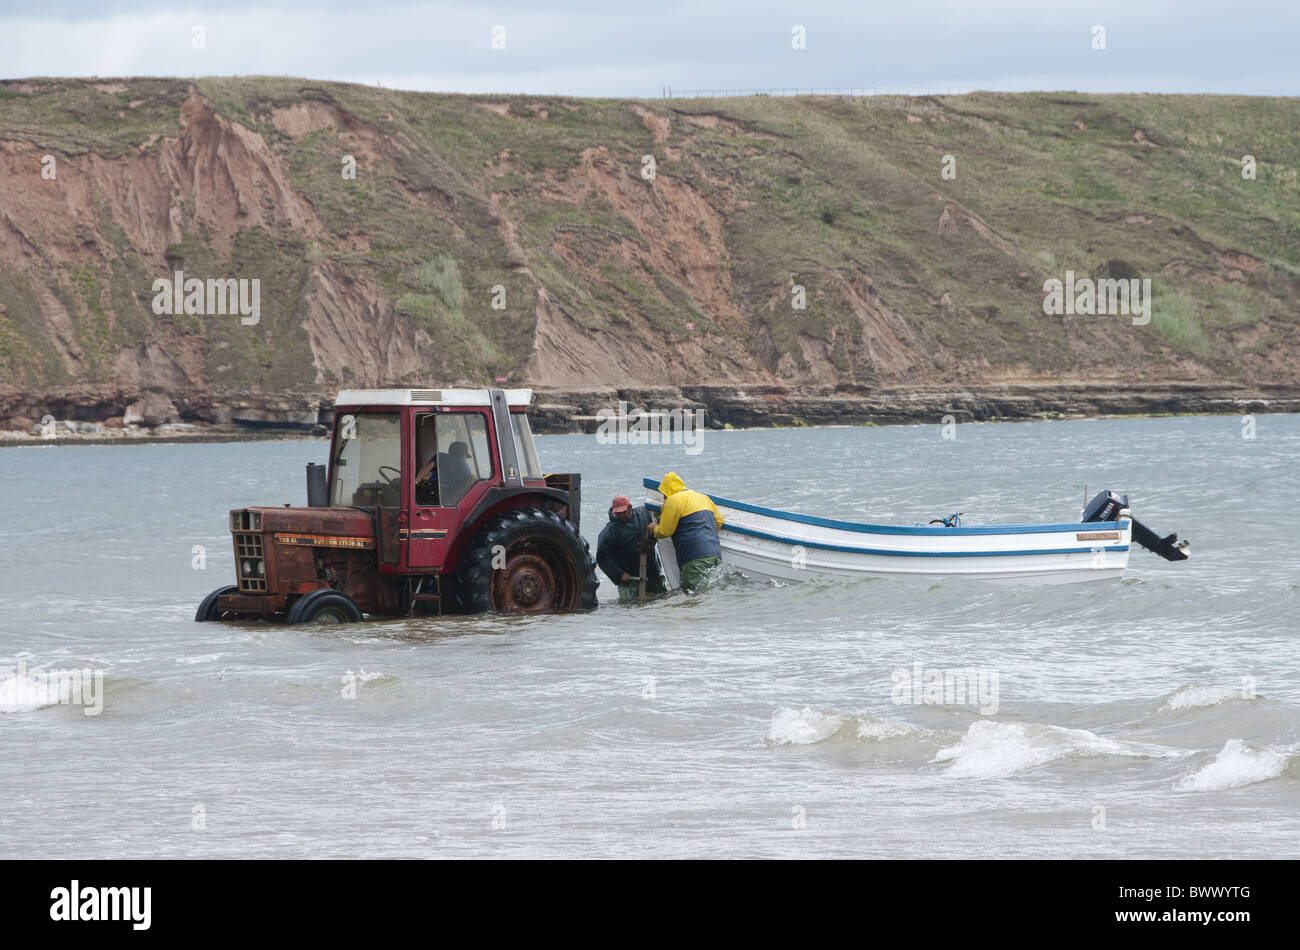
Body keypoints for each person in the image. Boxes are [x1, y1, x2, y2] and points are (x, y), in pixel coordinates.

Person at [650, 472, 724, 593]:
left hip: (693, 559)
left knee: (694, 598)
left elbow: (664, 531)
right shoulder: (702, 497)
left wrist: (653, 529)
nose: (663, 497)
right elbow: (719, 521)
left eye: (664, 493)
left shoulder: (673, 500)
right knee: (713, 593)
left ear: (668, 491)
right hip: (714, 555)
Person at [597, 494, 666, 601]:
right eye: (618, 514)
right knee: (629, 606)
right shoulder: (610, 532)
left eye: (623, 512)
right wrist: (619, 574)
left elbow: (661, 520)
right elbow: (602, 558)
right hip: (629, 578)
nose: (621, 516)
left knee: (660, 601)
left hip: (652, 572)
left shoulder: (644, 513)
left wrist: (653, 535)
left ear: (630, 508)